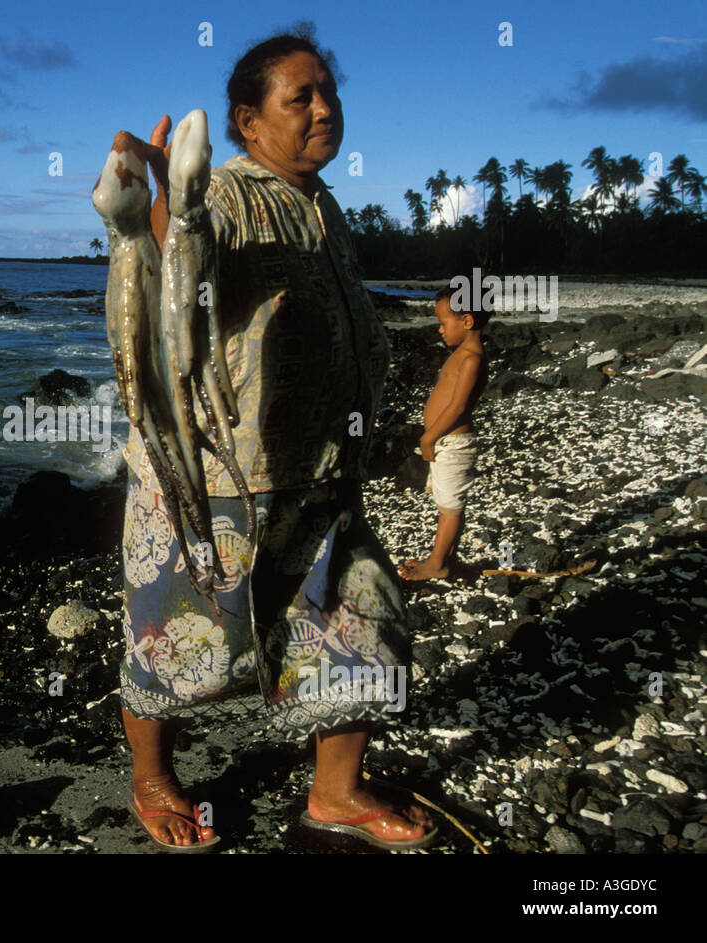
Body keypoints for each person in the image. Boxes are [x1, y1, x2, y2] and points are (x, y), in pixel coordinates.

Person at [114, 31, 435, 850]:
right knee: (179, 642)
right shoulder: (227, 193)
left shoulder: (323, 205)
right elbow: (174, 255)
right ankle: (152, 779)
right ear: (248, 122)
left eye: (329, 93)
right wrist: (162, 193)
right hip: (218, 475)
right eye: (303, 98)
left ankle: (335, 791)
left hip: (322, 470)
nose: (325, 109)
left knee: (364, 615)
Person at [399, 286, 490, 581]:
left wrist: (429, 437)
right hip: (445, 442)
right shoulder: (461, 354)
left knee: (450, 508)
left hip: (454, 443)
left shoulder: (472, 358)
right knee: (446, 504)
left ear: (466, 321)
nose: (439, 330)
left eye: (443, 322)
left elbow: (458, 407)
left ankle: (437, 563)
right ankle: (445, 558)